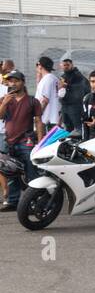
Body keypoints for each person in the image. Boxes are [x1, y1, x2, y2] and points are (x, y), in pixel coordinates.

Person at [0, 71, 39, 209]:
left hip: (26, 142)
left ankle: (34, 201)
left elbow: (38, 121)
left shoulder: (32, 101)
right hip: (9, 142)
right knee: (11, 172)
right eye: (10, 81)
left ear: (22, 82)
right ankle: (12, 201)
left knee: (31, 172)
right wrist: (4, 103)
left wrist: (40, 142)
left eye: (16, 81)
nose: (13, 83)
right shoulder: (5, 99)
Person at [59, 55, 89, 134]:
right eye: (64, 65)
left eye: (67, 65)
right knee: (67, 127)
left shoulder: (78, 77)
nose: (66, 67)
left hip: (75, 106)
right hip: (65, 106)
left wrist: (67, 86)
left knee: (78, 128)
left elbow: (79, 92)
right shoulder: (63, 77)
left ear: (72, 65)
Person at [34, 56, 61, 139]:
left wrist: (37, 116)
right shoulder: (53, 78)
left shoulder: (47, 79)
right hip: (53, 118)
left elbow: (45, 100)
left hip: (46, 119)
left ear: (40, 65)